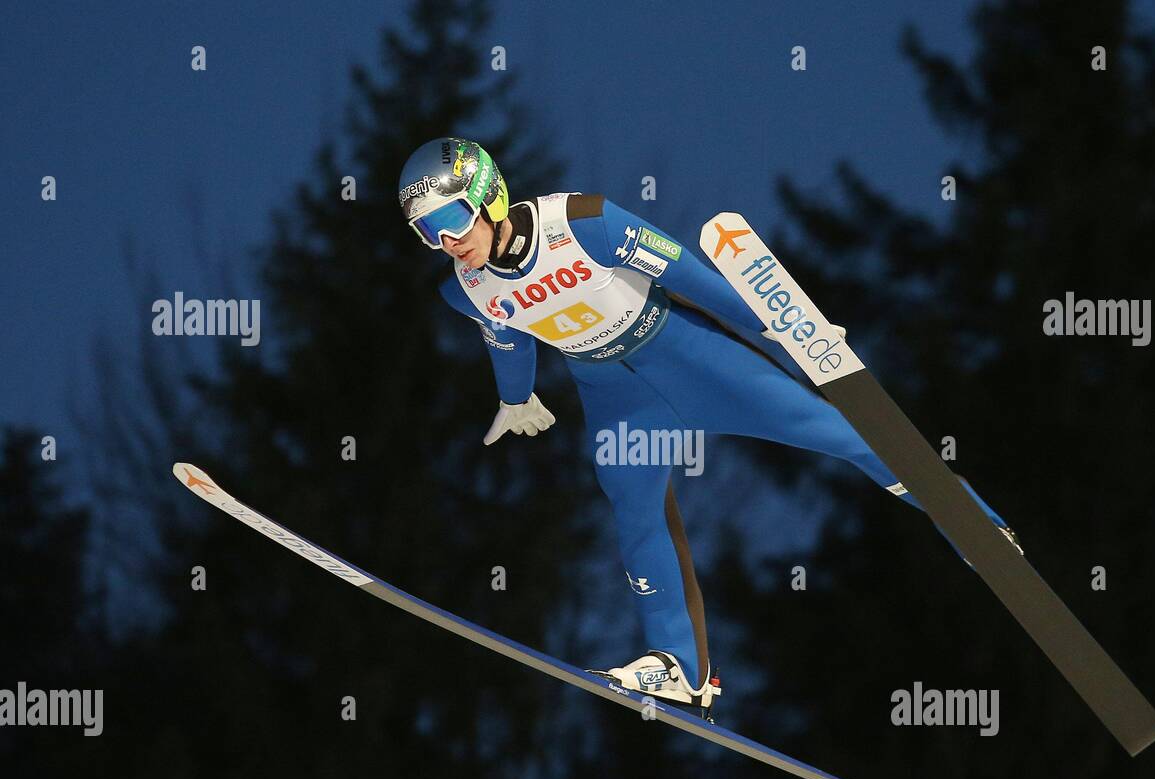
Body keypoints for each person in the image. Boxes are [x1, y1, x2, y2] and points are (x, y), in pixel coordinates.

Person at [401, 137, 1019, 720]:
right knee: (634, 509)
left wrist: (777, 325)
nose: (446, 241)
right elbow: (503, 334)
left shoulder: (583, 223)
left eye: (451, 219)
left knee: (837, 434)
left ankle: (974, 524)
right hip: (616, 399)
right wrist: (516, 398)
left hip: (688, 357)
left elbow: (687, 274)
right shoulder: (467, 289)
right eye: (427, 231)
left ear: (489, 196)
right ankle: (680, 668)